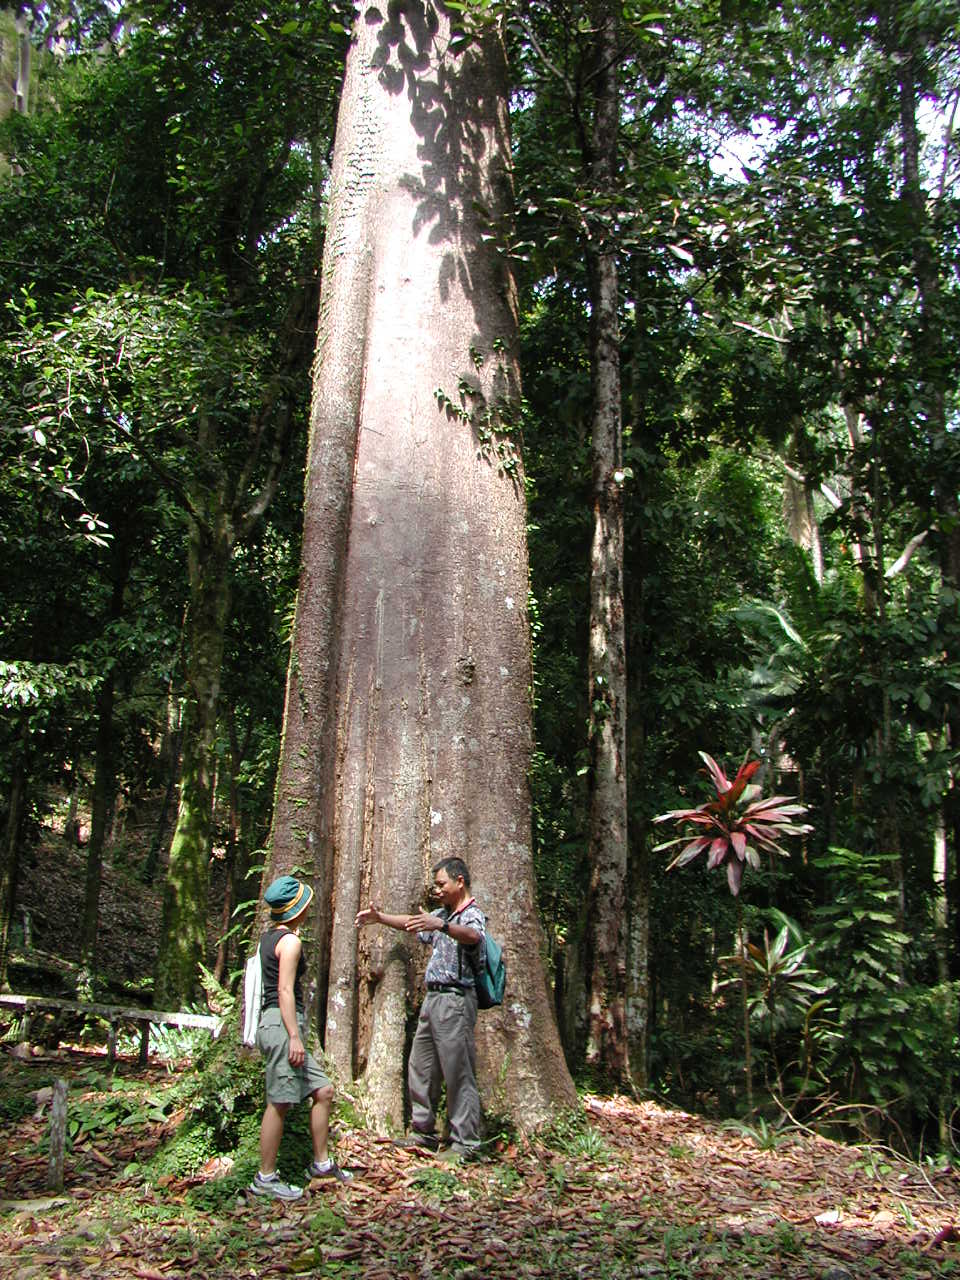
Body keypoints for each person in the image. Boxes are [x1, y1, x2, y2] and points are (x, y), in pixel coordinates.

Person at [355, 856, 485, 1160]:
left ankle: (466, 1142)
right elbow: (411, 923)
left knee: (458, 1070)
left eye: (442, 884)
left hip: (455, 999)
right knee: (421, 1064)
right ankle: (423, 1131)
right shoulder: (443, 914)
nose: (437, 890)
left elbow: (475, 936)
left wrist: (442, 925)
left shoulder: (470, 914)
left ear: (460, 881)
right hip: (433, 999)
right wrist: (380, 917)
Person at [250, 875, 352, 1200]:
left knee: (323, 1090)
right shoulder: (290, 943)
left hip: (276, 1024)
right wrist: (294, 1036)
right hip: (282, 1025)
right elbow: (283, 990)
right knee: (279, 1101)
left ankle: (321, 1164)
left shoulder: (269, 938)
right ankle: (265, 1178)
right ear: (297, 909)